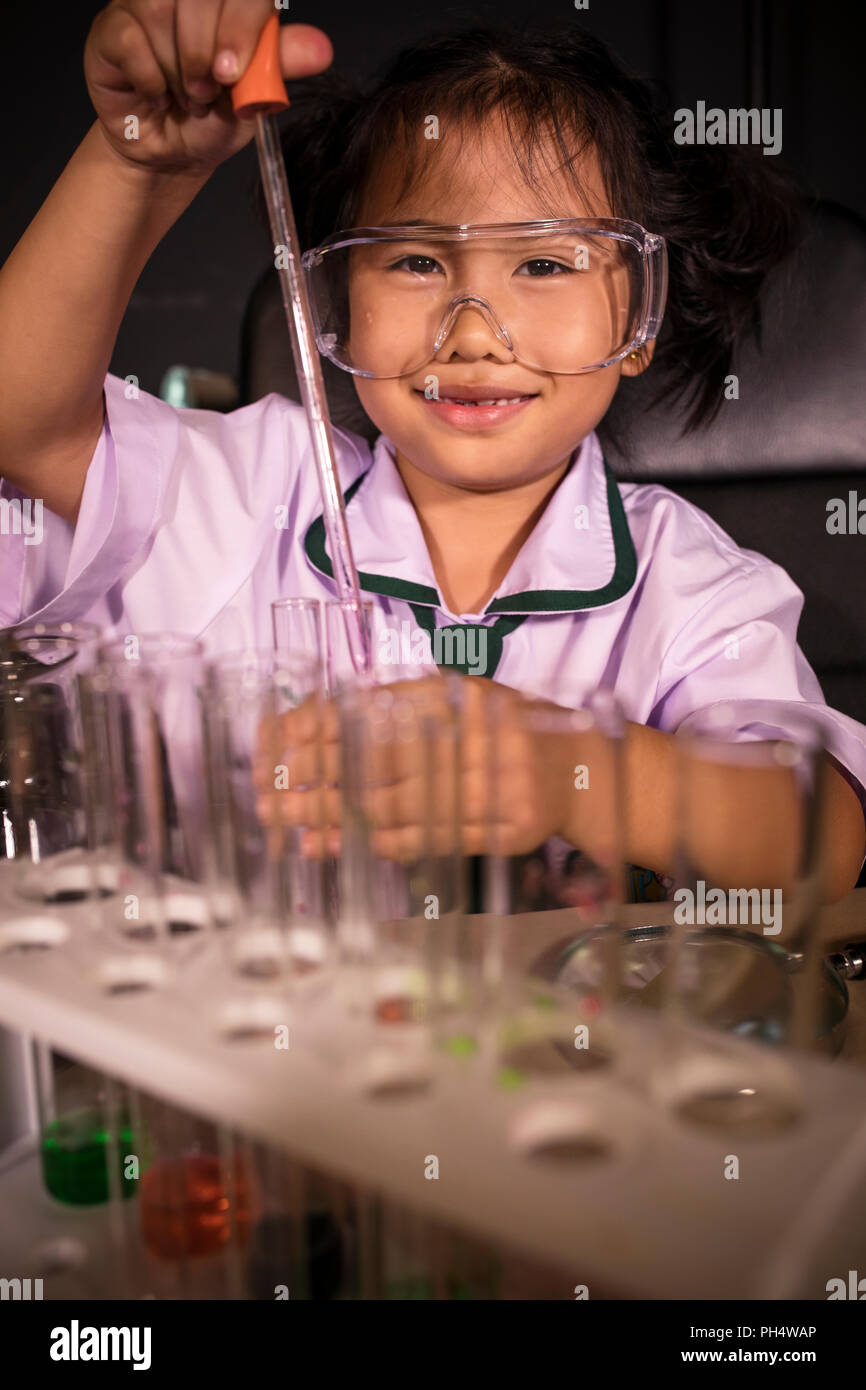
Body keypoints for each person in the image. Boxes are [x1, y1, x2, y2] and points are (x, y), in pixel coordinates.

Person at [0, 6, 864, 900]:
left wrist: (566, 766)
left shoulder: (686, 586)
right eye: (416, 262)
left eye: (545, 264)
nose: (475, 335)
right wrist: (135, 162)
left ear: (640, 313)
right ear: (334, 300)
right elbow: (21, 423)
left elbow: (821, 838)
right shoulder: (246, 492)